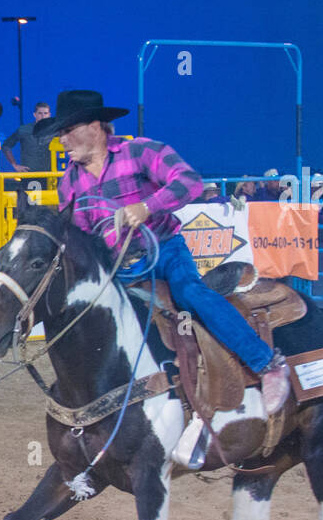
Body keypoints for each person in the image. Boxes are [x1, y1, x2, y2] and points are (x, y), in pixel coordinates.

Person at [36, 89, 292, 415]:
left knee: (191, 294)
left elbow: (189, 182)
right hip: (119, 269)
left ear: (95, 126)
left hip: (165, 250)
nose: (63, 141)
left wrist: (146, 207)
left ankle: (266, 363)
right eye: (60, 134)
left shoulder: (140, 152)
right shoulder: (69, 182)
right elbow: (81, 237)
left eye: (68, 131)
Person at [3, 101, 54, 172]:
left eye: (45, 113)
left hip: (50, 175)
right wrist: (15, 165)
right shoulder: (24, 130)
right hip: (29, 174)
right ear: (34, 114)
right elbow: (6, 146)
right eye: (40, 113)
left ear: (49, 115)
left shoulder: (55, 131)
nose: (43, 116)